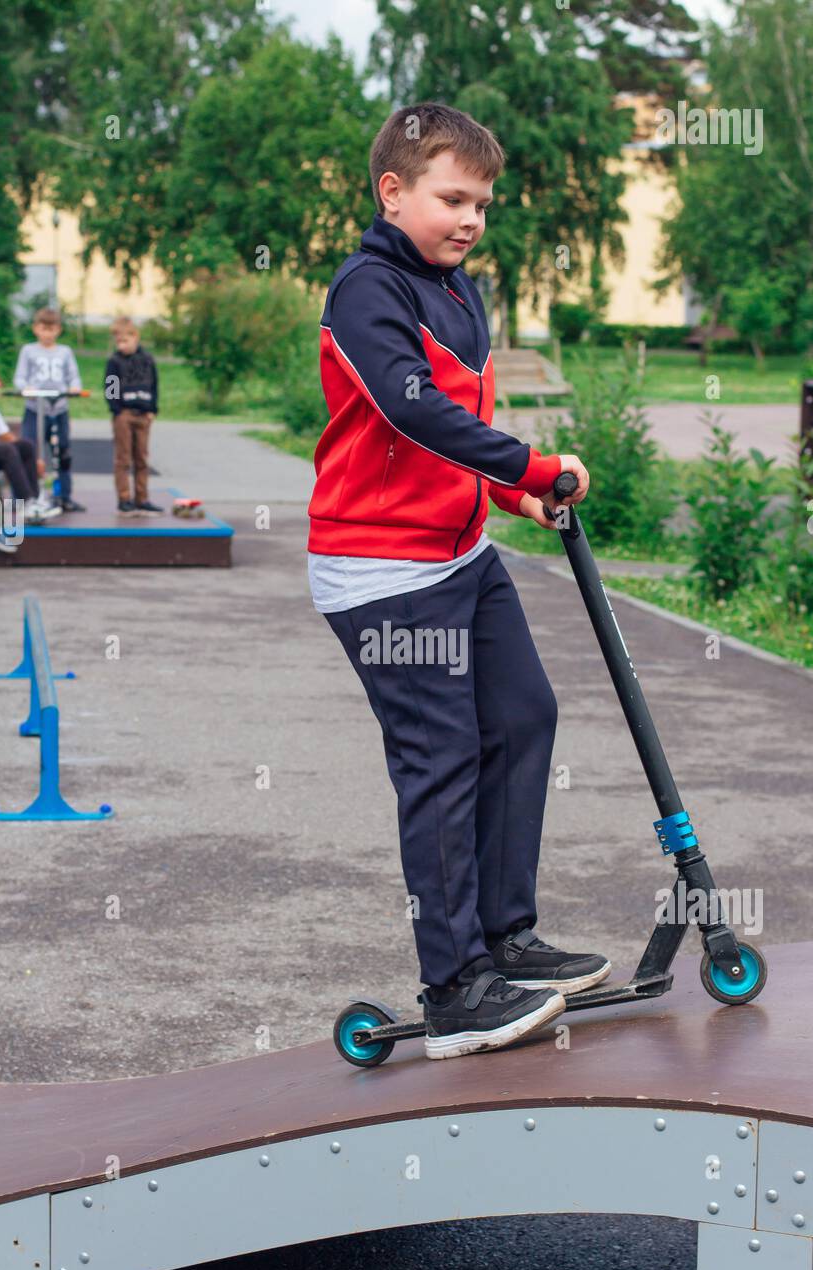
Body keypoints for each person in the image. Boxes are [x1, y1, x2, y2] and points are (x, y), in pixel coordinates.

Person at [308, 102, 611, 1062]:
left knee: (523, 719)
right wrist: (529, 465)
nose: (471, 218)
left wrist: (508, 497)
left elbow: (453, 427)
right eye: (452, 198)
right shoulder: (366, 289)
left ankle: (506, 940)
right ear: (393, 191)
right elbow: (411, 413)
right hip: (382, 572)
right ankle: (454, 988)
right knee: (440, 760)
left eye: (482, 202)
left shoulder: (458, 287)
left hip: (459, 554)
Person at [14, 307, 84, 512]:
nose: (47, 333)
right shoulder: (28, 351)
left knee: (63, 451)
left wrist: (74, 388)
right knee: (30, 450)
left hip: (59, 408)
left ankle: (64, 495)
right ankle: (27, 496)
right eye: (43, 328)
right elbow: (20, 377)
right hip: (35, 409)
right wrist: (26, 388)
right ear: (36, 329)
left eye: (51, 329)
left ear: (58, 330)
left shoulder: (65, 352)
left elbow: (73, 376)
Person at [0, 363, 50, 549]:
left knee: (24, 446)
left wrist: (34, 460)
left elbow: (6, 436)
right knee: (5, 453)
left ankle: (32, 502)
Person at [103, 316, 163, 514]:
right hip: (124, 414)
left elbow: (154, 385)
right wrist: (117, 411)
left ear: (135, 337)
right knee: (123, 458)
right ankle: (124, 498)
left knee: (142, 458)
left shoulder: (147, 360)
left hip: (144, 414)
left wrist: (152, 409)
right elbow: (111, 389)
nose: (121, 345)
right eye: (118, 342)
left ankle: (142, 497)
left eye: (125, 341)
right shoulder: (114, 361)